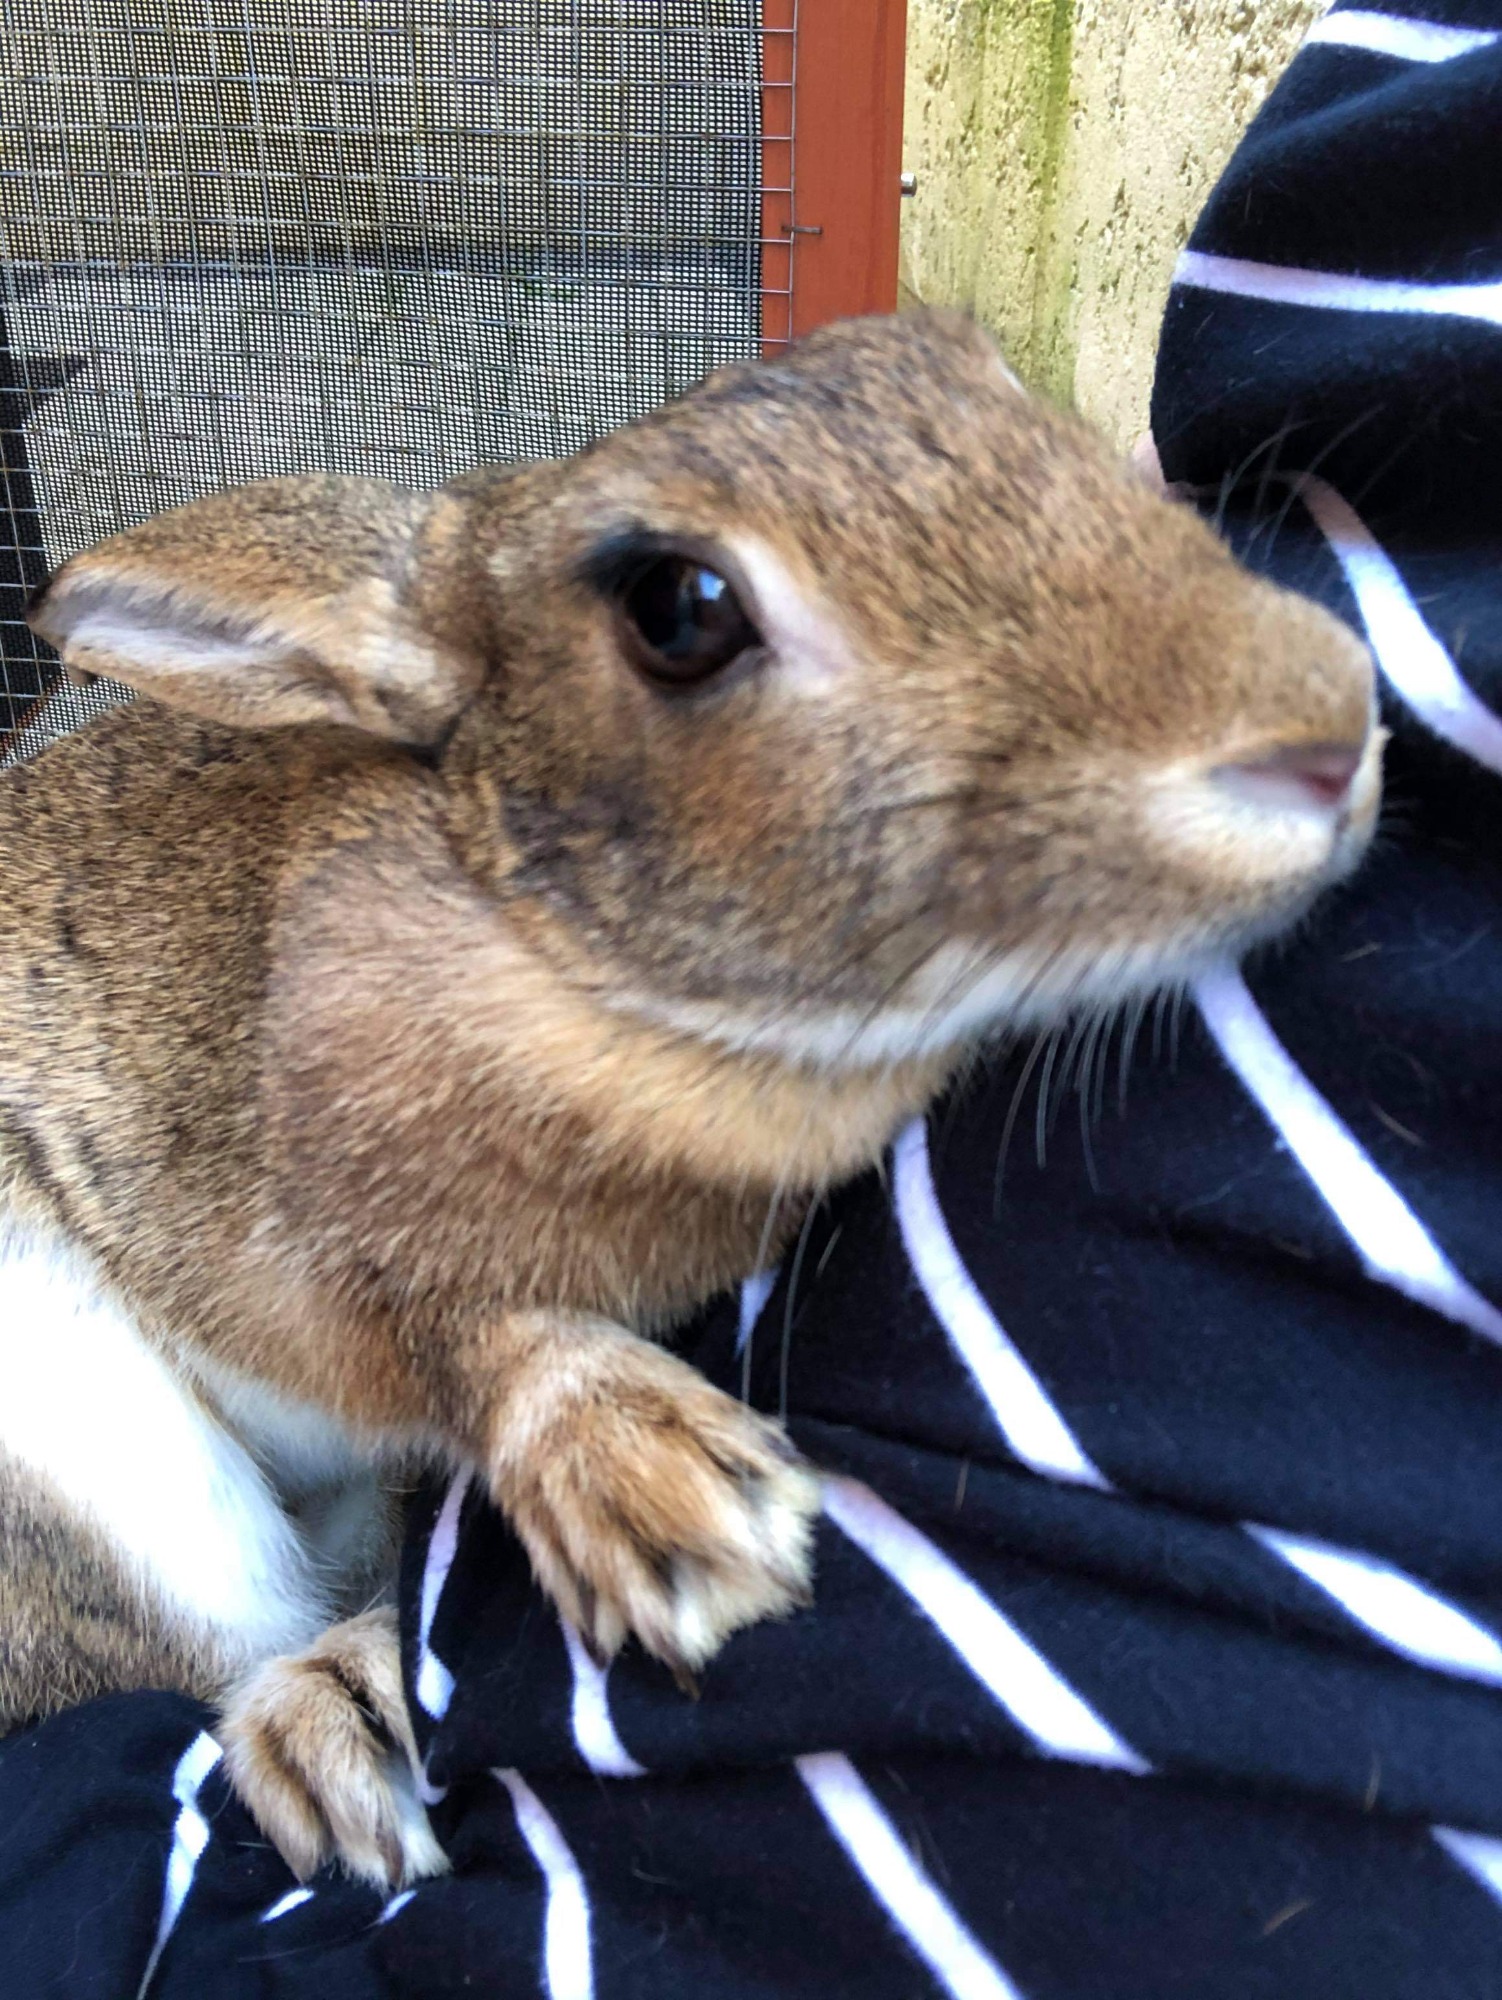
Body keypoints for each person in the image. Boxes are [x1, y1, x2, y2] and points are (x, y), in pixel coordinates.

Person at [5, 5, 1502, 1992]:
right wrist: (523, 1379)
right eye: (692, 624)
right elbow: (347, 1237)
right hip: (125, 1271)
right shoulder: (434, 990)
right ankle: (260, 1670)